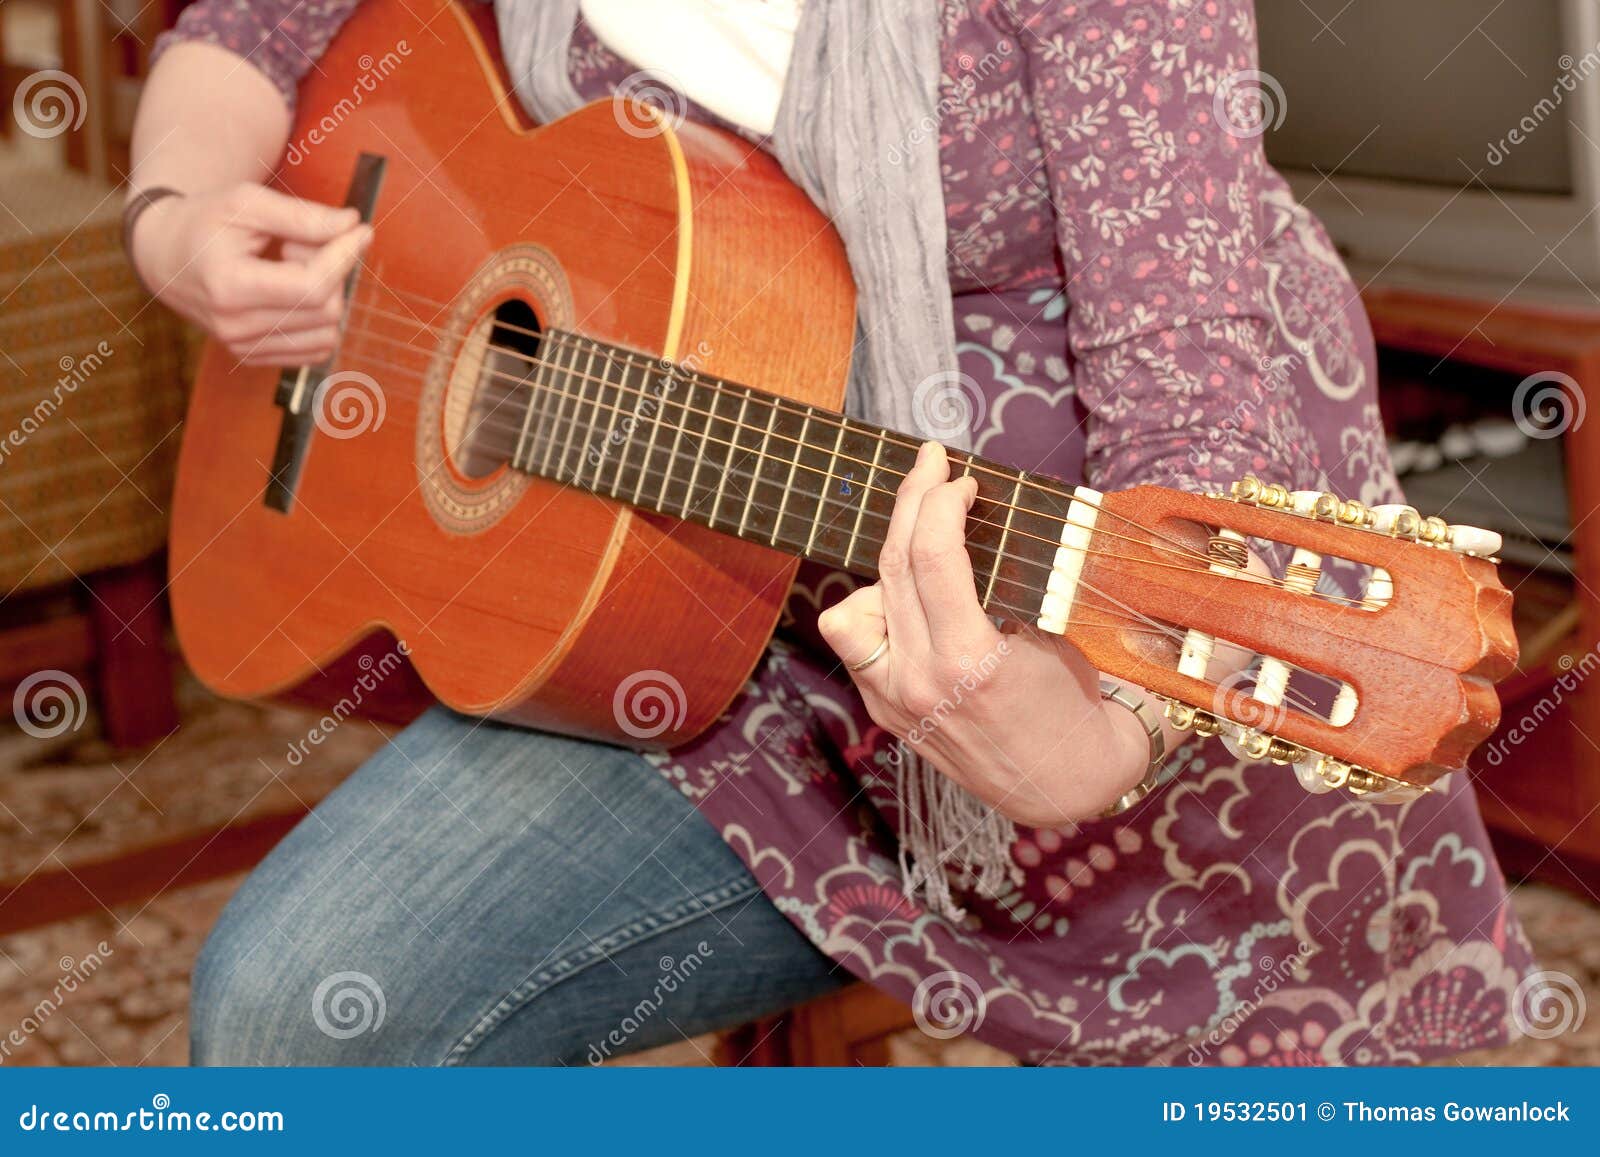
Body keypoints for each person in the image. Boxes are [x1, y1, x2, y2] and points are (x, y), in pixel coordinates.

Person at [128, 0, 1533, 1066]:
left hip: (1076, 597)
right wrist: (179, 223)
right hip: (653, 606)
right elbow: (250, 27)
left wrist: (1101, 736)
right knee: (289, 1013)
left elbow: (1195, 401)